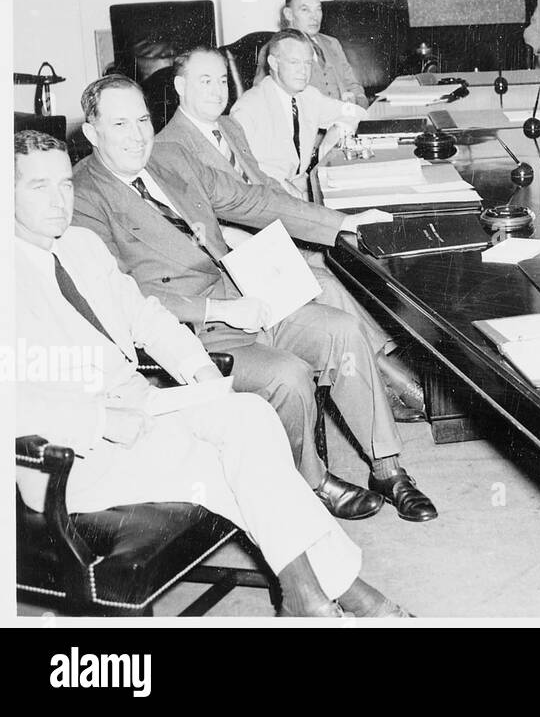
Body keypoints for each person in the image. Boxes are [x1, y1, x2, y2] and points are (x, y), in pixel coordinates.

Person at [13, 130, 408, 617]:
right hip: (71, 455)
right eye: (38, 187)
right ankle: (335, 592)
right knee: (223, 463)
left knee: (250, 415)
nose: (59, 200)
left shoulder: (79, 245)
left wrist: (196, 368)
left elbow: (145, 316)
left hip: (142, 409)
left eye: (64, 184)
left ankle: (306, 595)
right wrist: (100, 421)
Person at [70, 74, 439, 523]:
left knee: (341, 329)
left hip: (242, 296)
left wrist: (345, 223)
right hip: (191, 331)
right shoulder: (82, 197)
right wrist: (218, 310)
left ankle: (388, 468)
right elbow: (118, 295)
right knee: (288, 375)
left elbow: (252, 201)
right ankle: (312, 482)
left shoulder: (168, 163)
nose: (138, 135)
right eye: (120, 124)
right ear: (92, 132)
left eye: (143, 120)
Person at [155, 46, 429, 420]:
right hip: (230, 267)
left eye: (222, 80)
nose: (218, 91)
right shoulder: (170, 147)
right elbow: (203, 228)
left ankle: (384, 375)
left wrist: (298, 201)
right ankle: (392, 380)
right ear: (179, 86)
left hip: (266, 242)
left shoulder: (228, 127)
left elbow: (259, 185)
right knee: (328, 285)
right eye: (205, 81)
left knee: (336, 274)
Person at [234, 30, 365, 197]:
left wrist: (337, 131)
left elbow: (357, 112)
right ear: (274, 63)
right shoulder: (248, 108)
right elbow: (244, 173)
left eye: (308, 63)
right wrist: (287, 187)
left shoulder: (309, 96)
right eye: (294, 62)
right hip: (269, 198)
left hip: (302, 192)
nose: (303, 71)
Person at [255, 0, 367, 106]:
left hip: (344, 118)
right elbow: (263, 98)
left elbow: (353, 85)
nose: (314, 17)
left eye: (318, 9)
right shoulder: (273, 48)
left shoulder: (332, 43)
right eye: (305, 10)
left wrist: (357, 101)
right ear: (289, 14)